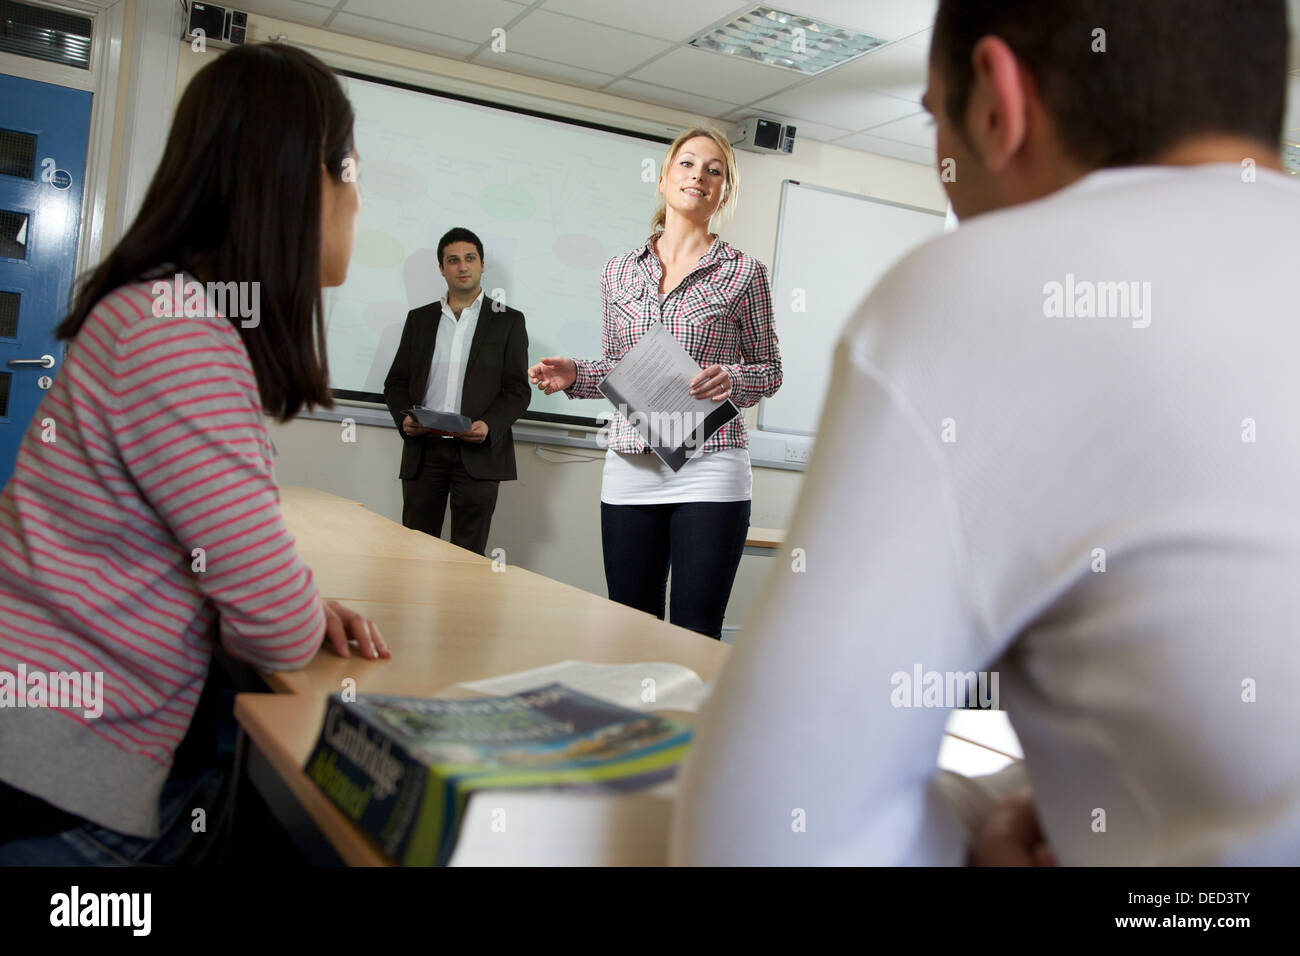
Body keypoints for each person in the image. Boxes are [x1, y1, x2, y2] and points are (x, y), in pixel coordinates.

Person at [672, 0, 1300, 865]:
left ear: (998, 101)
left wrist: (973, 820)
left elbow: (761, 843)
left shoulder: (993, 288)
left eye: (936, 117)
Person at [0, 43, 388, 865]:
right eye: (349, 169)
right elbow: (277, 632)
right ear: (294, 180)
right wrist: (296, 606)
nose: (359, 198)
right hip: (55, 782)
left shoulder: (165, 313)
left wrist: (291, 601)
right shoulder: (180, 338)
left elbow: (240, 573)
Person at [528, 127, 781, 640]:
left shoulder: (744, 273)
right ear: (664, 178)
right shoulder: (618, 272)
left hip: (710, 465)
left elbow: (770, 370)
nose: (699, 176)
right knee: (628, 625)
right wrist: (577, 374)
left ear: (724, 193)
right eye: (687, 164)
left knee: (694, 628)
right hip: (631, 465)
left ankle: (690, 722)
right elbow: (621, 367)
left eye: (714, 170)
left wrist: (732, 377)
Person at [383, 228, 530, 556]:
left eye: (469, 258)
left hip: (478, 455)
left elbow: (518, 390)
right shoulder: (419, 320)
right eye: (453, 260)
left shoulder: (508, 321)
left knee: (467, 556)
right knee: (414, 552)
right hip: (425, 450)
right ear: (441, 268)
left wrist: (489, 426)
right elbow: (395, 383)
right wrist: (404, 417)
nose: (462, 266)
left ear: (481, 265)